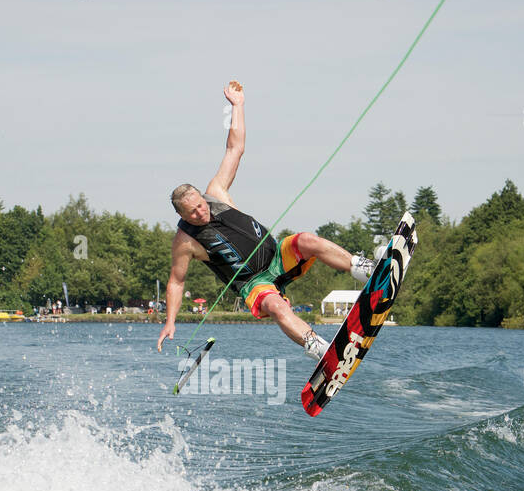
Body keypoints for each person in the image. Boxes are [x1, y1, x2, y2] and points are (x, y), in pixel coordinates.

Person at [156, 80, 377, 359]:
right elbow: (177, 281)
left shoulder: (216, 193)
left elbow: (234, 149)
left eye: (200, 205)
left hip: (276, 256)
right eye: (192, 213)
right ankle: (319, 348)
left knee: (307, 239)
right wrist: (170, 321)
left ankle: (365, 269)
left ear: (202, 196)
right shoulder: (185, 241)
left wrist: (238, 106)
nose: (201, 213)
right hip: (254, 282)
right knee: (276, 306)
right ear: (181, 215)